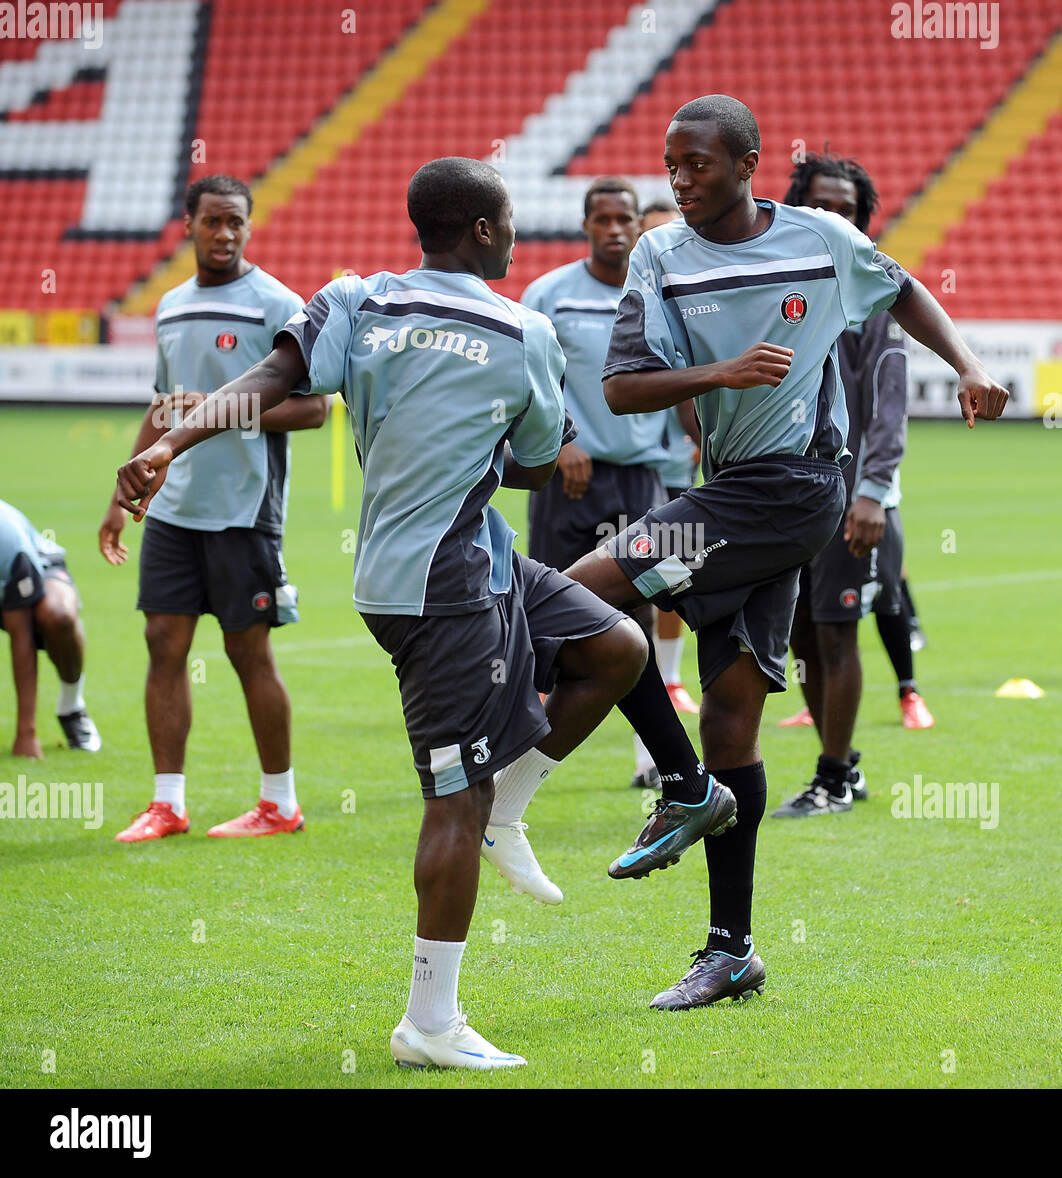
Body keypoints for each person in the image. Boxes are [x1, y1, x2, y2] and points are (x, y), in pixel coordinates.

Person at [114, 157, 648, 1071]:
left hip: (475, 558)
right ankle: (429, 1023)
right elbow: (530, 460)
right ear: (483, 231)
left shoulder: (356, 300)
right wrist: (499, 434)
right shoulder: (525, 329)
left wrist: (169, 441)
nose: (517, 235)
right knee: (451, 795)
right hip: (434, 586)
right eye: (510, 220)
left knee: (616, 646)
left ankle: (507, 810)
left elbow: (271, 378)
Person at [513, 95, 1009, 1010]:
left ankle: (680, 786)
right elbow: (623, 388)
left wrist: (969, 363)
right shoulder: (661, 253)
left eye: (698, 165)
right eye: (672, 165)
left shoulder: (821, 238)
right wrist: (722, 374)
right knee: (732, 711)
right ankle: (731, 950)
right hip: (734, 487)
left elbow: (901, 288)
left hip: (796, 486)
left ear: (746, 165)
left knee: (582, 589)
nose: (681, 181)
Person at [98, 175, 329, 843]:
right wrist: (123, 494)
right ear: (189, 225)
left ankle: (279, 803)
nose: (224, 235)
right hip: (173, 510)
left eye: (236, 223)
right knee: (162, 644)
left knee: (245, 650)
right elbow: (162, 405)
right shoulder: (170, 306)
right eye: (213, 222)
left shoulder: (277, 302)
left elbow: (313, 407)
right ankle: (167, 803)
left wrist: (220, 413)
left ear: (249, 228)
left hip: (243, 509)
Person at [773, 151, 935, 819]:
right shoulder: (780, 284)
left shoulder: (874, 298)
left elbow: (889, 405)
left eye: (845, 207)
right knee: (803, 631)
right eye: (819, 204)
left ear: (862, 219)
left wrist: (873, 491)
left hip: (851, 491)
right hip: (787, 488)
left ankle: (834, 776)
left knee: (837, 630)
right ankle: (845, 770)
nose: (832, 216)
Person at [519, 178, 671, 798]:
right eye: (602, 219)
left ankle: (650, 757)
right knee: (540, 617)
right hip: (566, 480)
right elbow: (524, 380)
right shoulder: (548, 294)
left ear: (639, 224)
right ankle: (514, 753)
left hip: (638, 480)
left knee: (637, 617)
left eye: (624, 218)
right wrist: (559, 442)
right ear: (585, 224)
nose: (614, 229)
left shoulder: (658, 291)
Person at [639, 199, 702, 726]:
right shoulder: (632, 309)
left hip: (679, 468)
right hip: (631, 470)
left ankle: (672, 677)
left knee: (671, 577)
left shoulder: (695, 304)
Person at [1, 500, 100, 758]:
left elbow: (20, 635)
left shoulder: (8, 540)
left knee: (58, 616)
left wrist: (26, 733)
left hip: (36, 572)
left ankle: (72, 706)